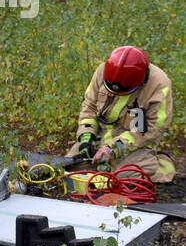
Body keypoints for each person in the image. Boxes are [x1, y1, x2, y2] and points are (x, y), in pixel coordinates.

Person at [67, 46, 175, 182]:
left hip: (135, 142)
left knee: (124, 176)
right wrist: (86, 137)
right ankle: (103, 164)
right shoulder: (103, 71)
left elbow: (153, 129)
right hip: (101, 135)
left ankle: (160, 165)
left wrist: (115, 147)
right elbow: (89, 107)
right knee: (71, 167)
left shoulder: (159, 85)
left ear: (141, 80)